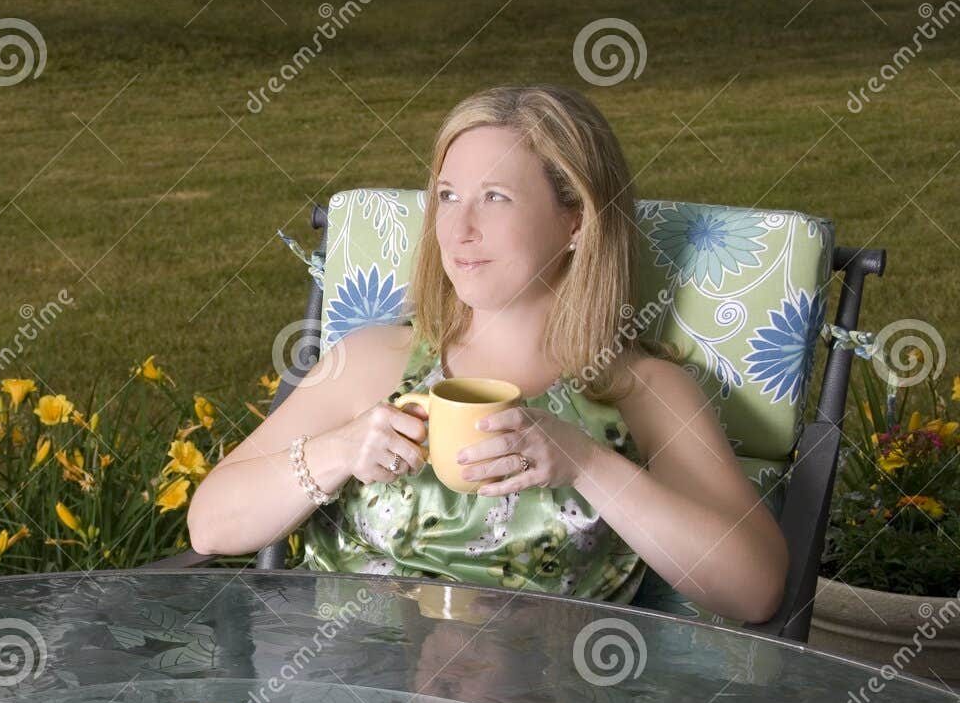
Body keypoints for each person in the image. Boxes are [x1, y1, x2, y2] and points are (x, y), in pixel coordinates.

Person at [187, 84, 789, 625]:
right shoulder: (375, 362)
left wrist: (584, 462)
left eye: (495, 197)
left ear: (576, 219)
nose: (459, 229)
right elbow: (211, 526)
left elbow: (754, 591)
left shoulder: (640, 392)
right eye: (447, 196)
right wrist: (338, 450)